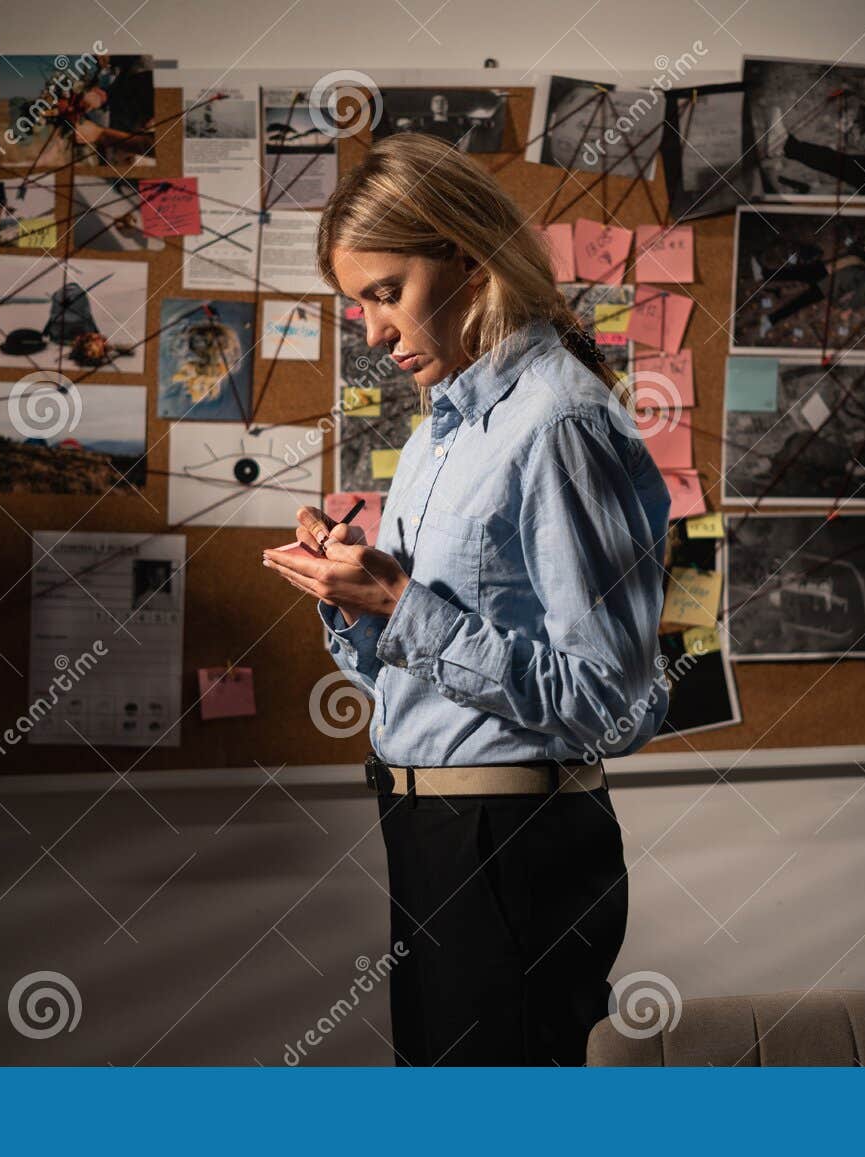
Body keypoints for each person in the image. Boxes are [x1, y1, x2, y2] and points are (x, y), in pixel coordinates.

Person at [261, 132, 671, 1066]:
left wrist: (400, 605)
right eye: (359, 303)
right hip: (428, 830)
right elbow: (431, 674)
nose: (372, 333)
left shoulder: (559, 420)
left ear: (470, 257)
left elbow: (612, 701)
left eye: (385, 291)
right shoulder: (440, 433)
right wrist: (361, 602)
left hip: (509, 841)